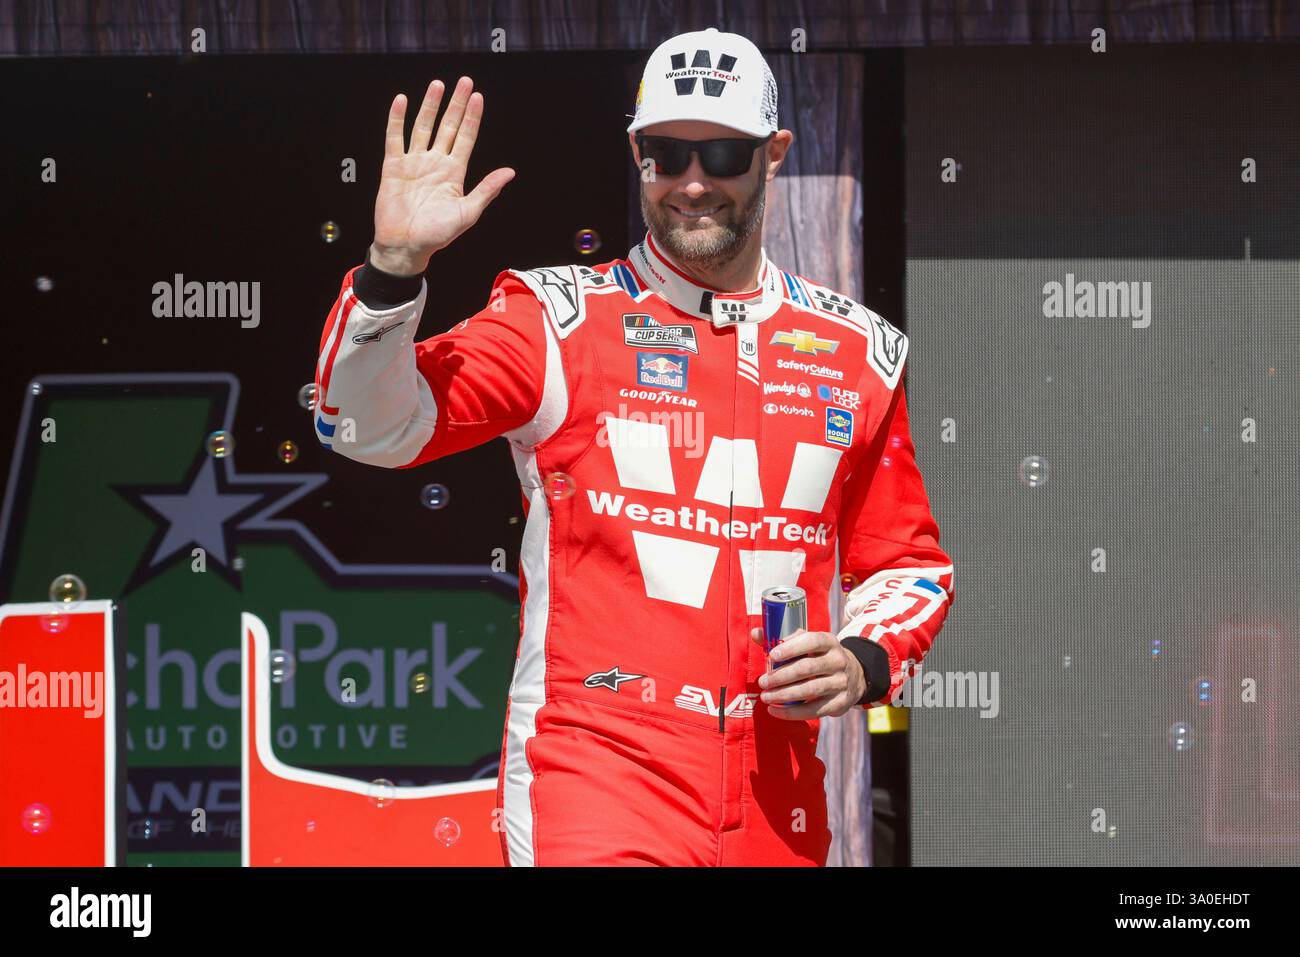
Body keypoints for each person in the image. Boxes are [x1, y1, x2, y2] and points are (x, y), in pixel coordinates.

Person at [313, 27, 953, 866]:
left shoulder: (857, 350)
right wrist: (394, 267)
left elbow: (907, 565)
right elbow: (365, 424)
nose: (693, 182)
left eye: (723, 153)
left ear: (775, 154)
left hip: (776, 787)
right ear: (637, 154)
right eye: (666, 154)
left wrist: (862, 657)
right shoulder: (556, 317)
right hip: (595, 770)